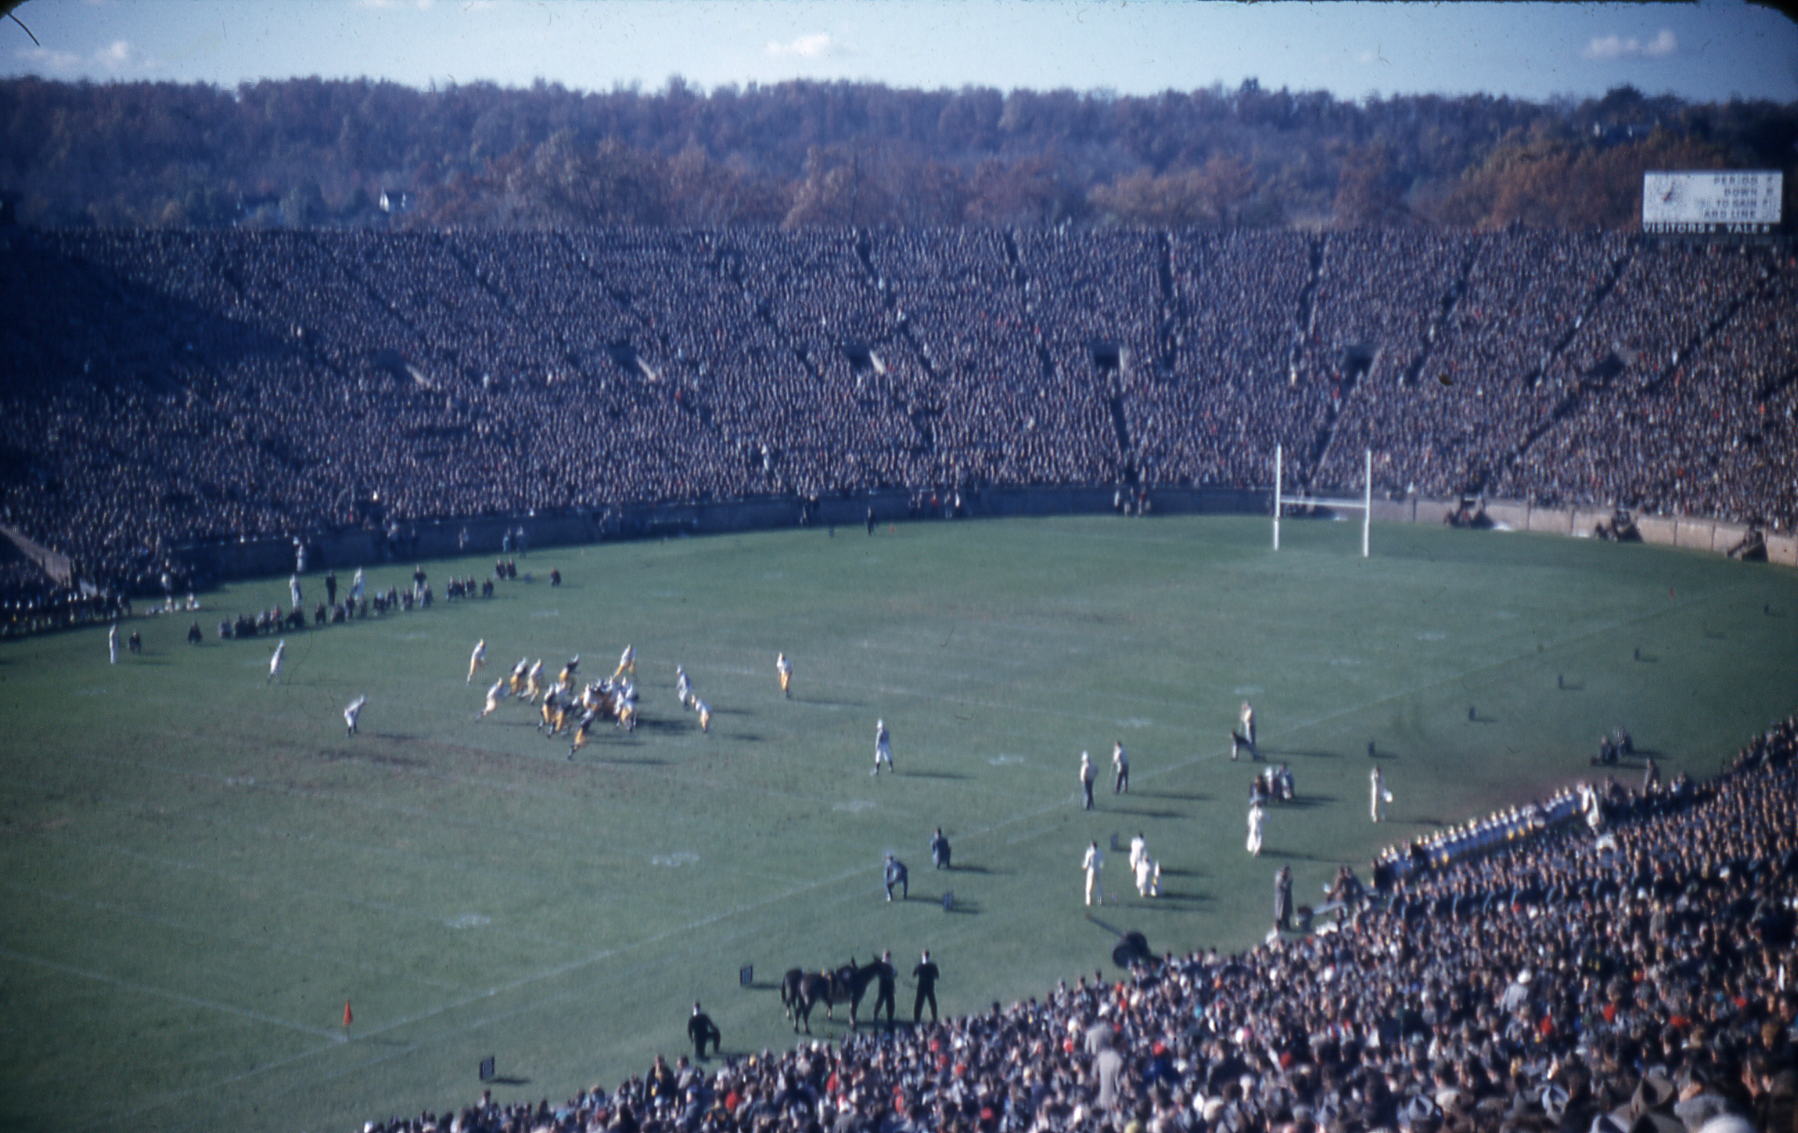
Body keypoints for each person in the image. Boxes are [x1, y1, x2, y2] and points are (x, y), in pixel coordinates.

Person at [911, 950, 939, 1024]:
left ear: (922, 956)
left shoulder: (919, 965)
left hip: (921, 987)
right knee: (932, 1003)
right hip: (930, 986)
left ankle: (916, 1019)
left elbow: (914, 975)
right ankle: (934, 1018)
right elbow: (937, 976)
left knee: (919, 1003)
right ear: (929, 956)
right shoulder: (933, 966)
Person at [871, 950, 897, 1026]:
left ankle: (887, 1018)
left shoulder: (887, 964)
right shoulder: (886, 964)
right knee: (883, 1001)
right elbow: (894, 974)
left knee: (888, 1002)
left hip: (887, 984)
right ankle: (881, 1017)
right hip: (885, 984)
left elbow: (894, 974)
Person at [1082, 840, 1104, 906]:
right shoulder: (1100, 852)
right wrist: (1100, 868)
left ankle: (1088, 902)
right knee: (1099, 886)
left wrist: (1084, 867)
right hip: (1098, 870)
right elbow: (1102, 862)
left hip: (1091, 870)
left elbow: (1087, 862)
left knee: (1089, 886)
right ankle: (1100, 901)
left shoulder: (1089, 852)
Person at [1274, 864, 1293, 930]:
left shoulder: (1286, 877)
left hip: (1286, 898)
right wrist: (1288, 881)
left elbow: (1288, 884)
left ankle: (1286, 926)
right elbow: (1284, 886)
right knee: (1280, 913)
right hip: (1280, 898)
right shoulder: (1279, 878)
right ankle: (1278, 926)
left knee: (1286, 913)